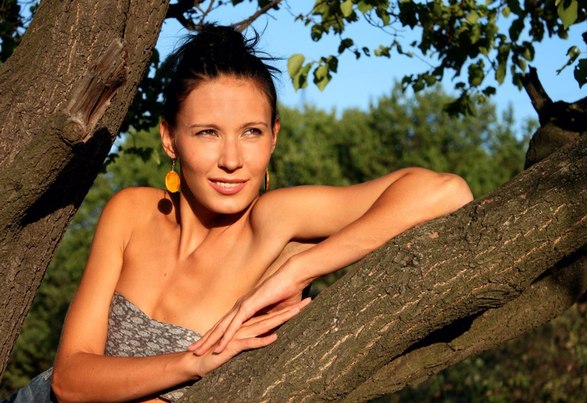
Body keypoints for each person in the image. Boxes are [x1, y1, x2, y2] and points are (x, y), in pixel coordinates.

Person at [8, 23, 473, 402]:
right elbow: (69, 380)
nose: (232, 159)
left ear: (274, 136)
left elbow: (445, 193)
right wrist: (191, 363)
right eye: (207, 133)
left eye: (251, 132)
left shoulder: (274, 222)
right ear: (170, 138)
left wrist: (298, 270)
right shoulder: (131, 211)